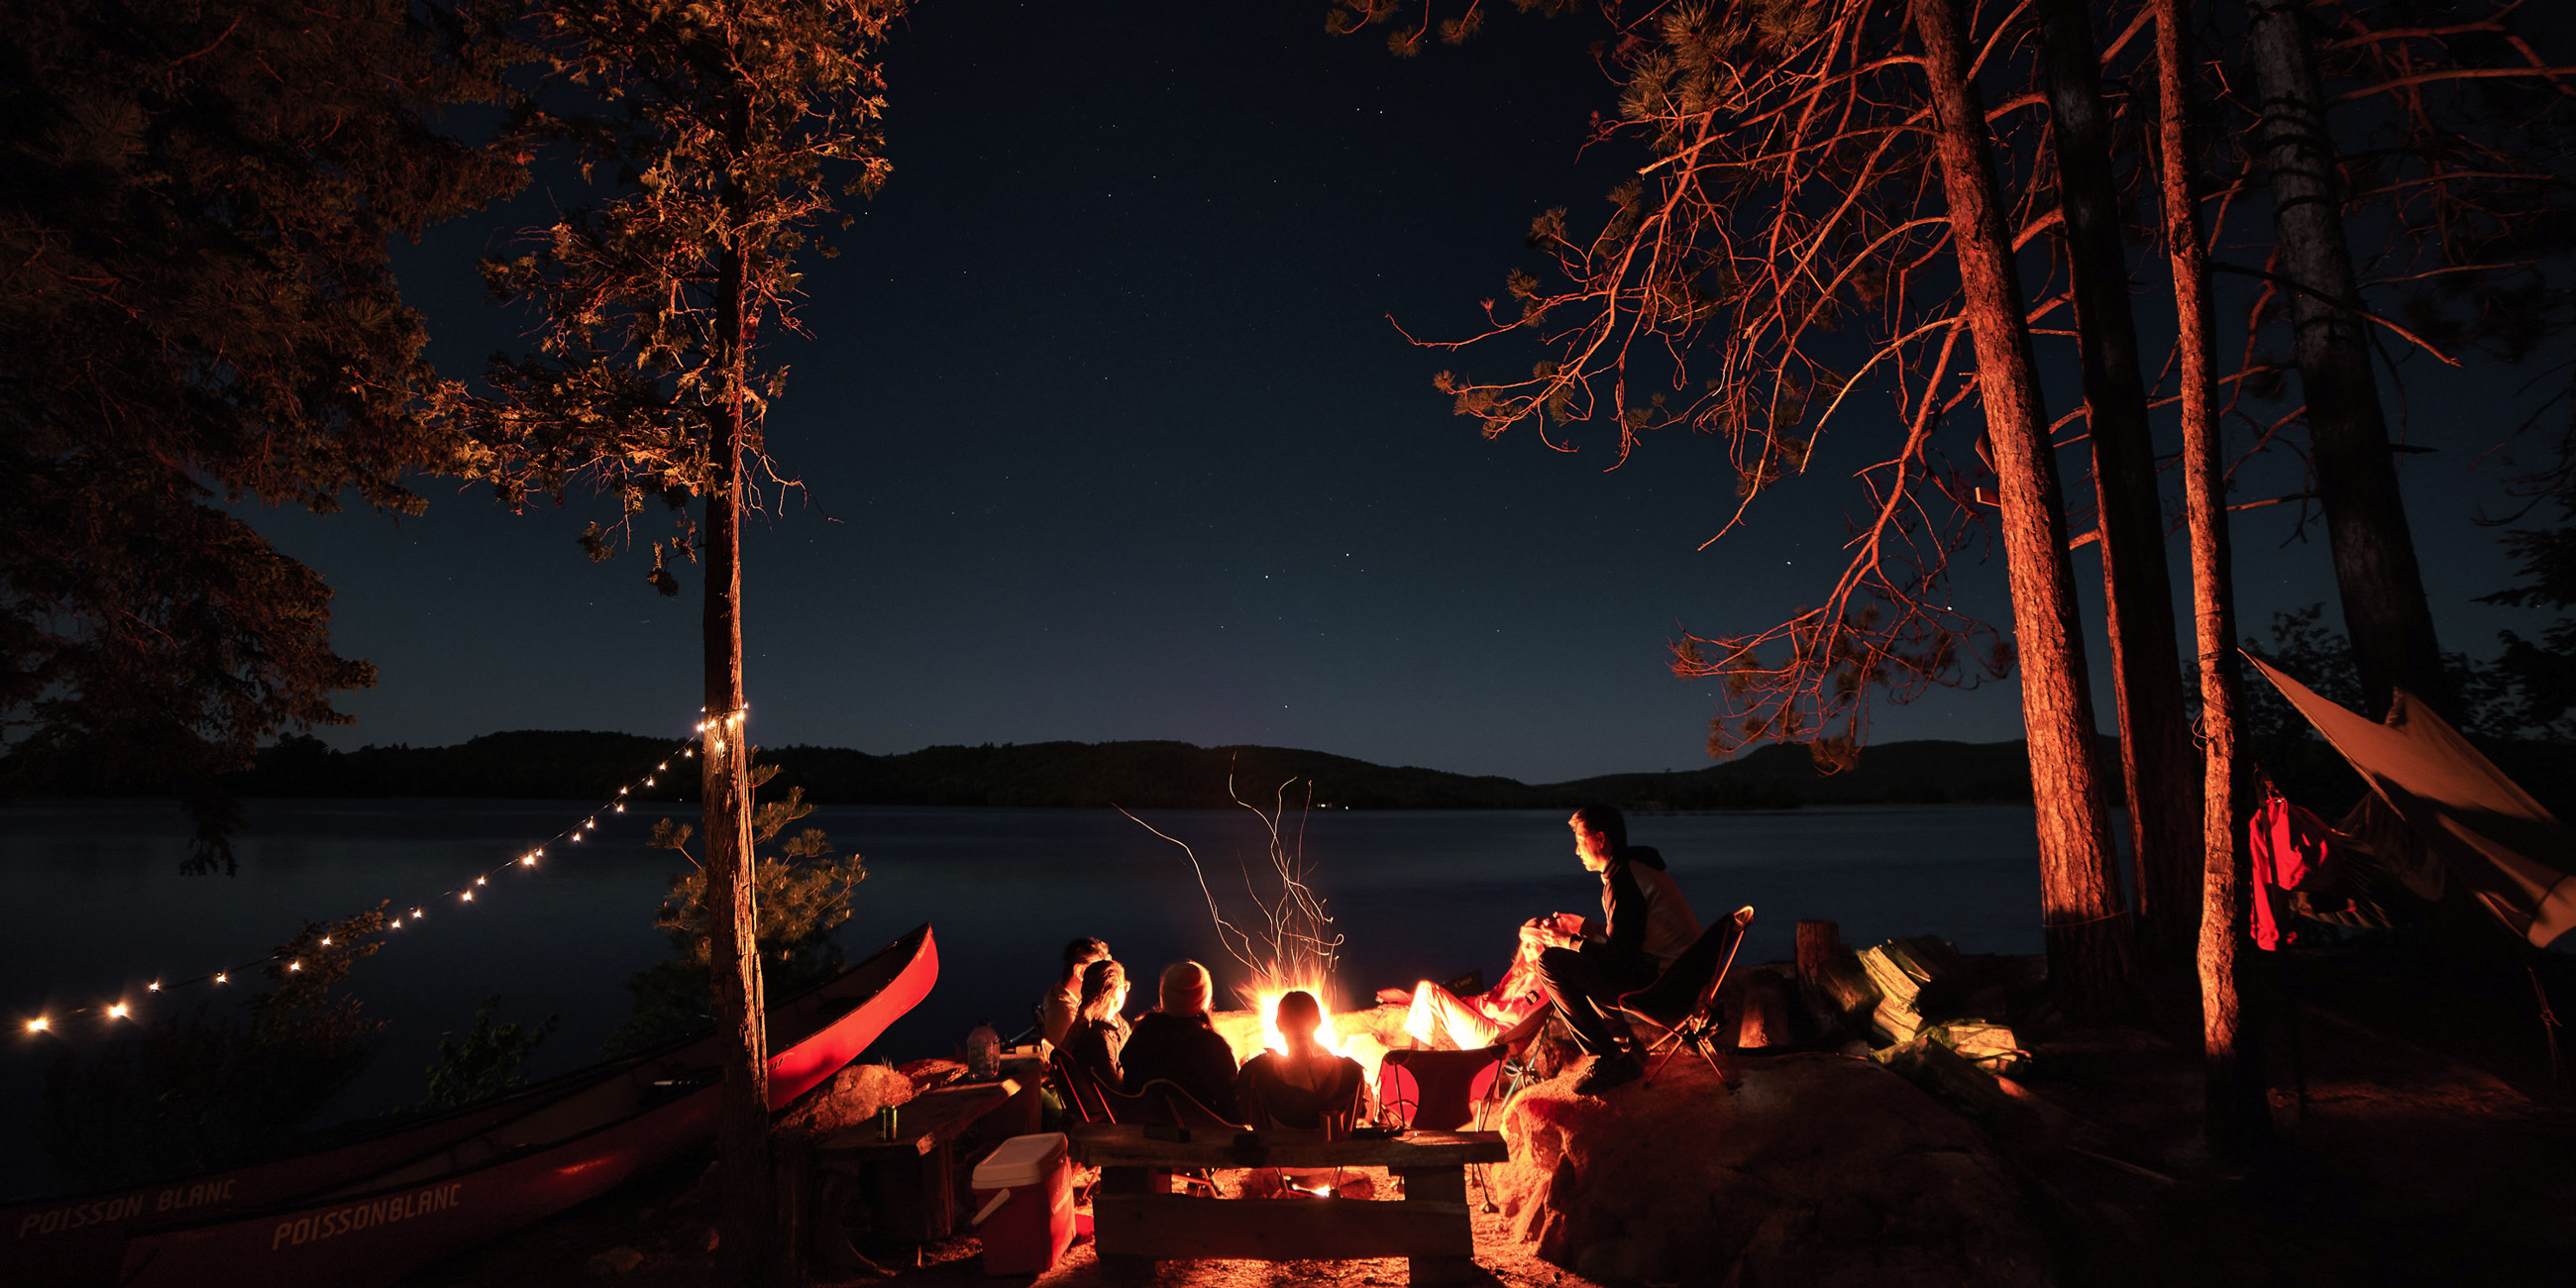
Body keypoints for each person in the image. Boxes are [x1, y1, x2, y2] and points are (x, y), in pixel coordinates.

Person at [1529, 804, 1697, 1096]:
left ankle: (1610, 1059)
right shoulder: (1634, 869)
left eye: (1580, 841)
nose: (1577, 851)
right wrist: (1584, 927)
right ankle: (1627, 1047)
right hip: (1681, 977)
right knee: (1583, 958)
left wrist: (1567, 942)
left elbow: (1619, 959)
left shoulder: (1623, 881)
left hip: (1664, 989)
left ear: (1600, 839)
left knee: (1550, 963)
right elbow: (1628, 940)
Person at [1390, 929, 1556, 1051]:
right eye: (1523, 941)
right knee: (1425, 995)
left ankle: (1420, 1063)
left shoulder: (1539, 980)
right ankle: (1415, 1059)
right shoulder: (1520, 974)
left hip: (1494, 1037)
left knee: (1428, 989)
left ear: (1544, 947)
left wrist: (1475, 1003)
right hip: (1487, 1028)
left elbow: (1513, 1015)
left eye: (1532, 943)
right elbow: (1494, 997)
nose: (1525, 947)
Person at [1120, 960, 1241, 1120]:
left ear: (1164, 995)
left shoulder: (1141, 1035)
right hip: (1201, 1131)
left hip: (1145, 1128)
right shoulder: (1213, 1047)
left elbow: (1130, 1085)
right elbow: (1234, 1109)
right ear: (1204, 998)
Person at [1233, 990, 1365, 1130]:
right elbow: (1350, 1127)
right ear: (1318, 1022)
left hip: (1278, 1144)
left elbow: (1249, 1121)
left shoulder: (1256, 1073)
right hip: (1332, 1143)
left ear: (1278, 1025)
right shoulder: (1352, 1073)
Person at [1060, 958, 1130, 1090]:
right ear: (1115, 991)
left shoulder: (1115, 1023)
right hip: (1114, 1102)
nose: (1126, 991)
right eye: (1125, 986)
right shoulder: (1099, 1038)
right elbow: (1116, 1089)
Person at [1042, 936, 1111, 1048]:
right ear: (1080, 972)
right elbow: (1092, 1053)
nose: (1106, 978)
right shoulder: (1066, 1016)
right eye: (1100, 971)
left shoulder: (1058, 994)